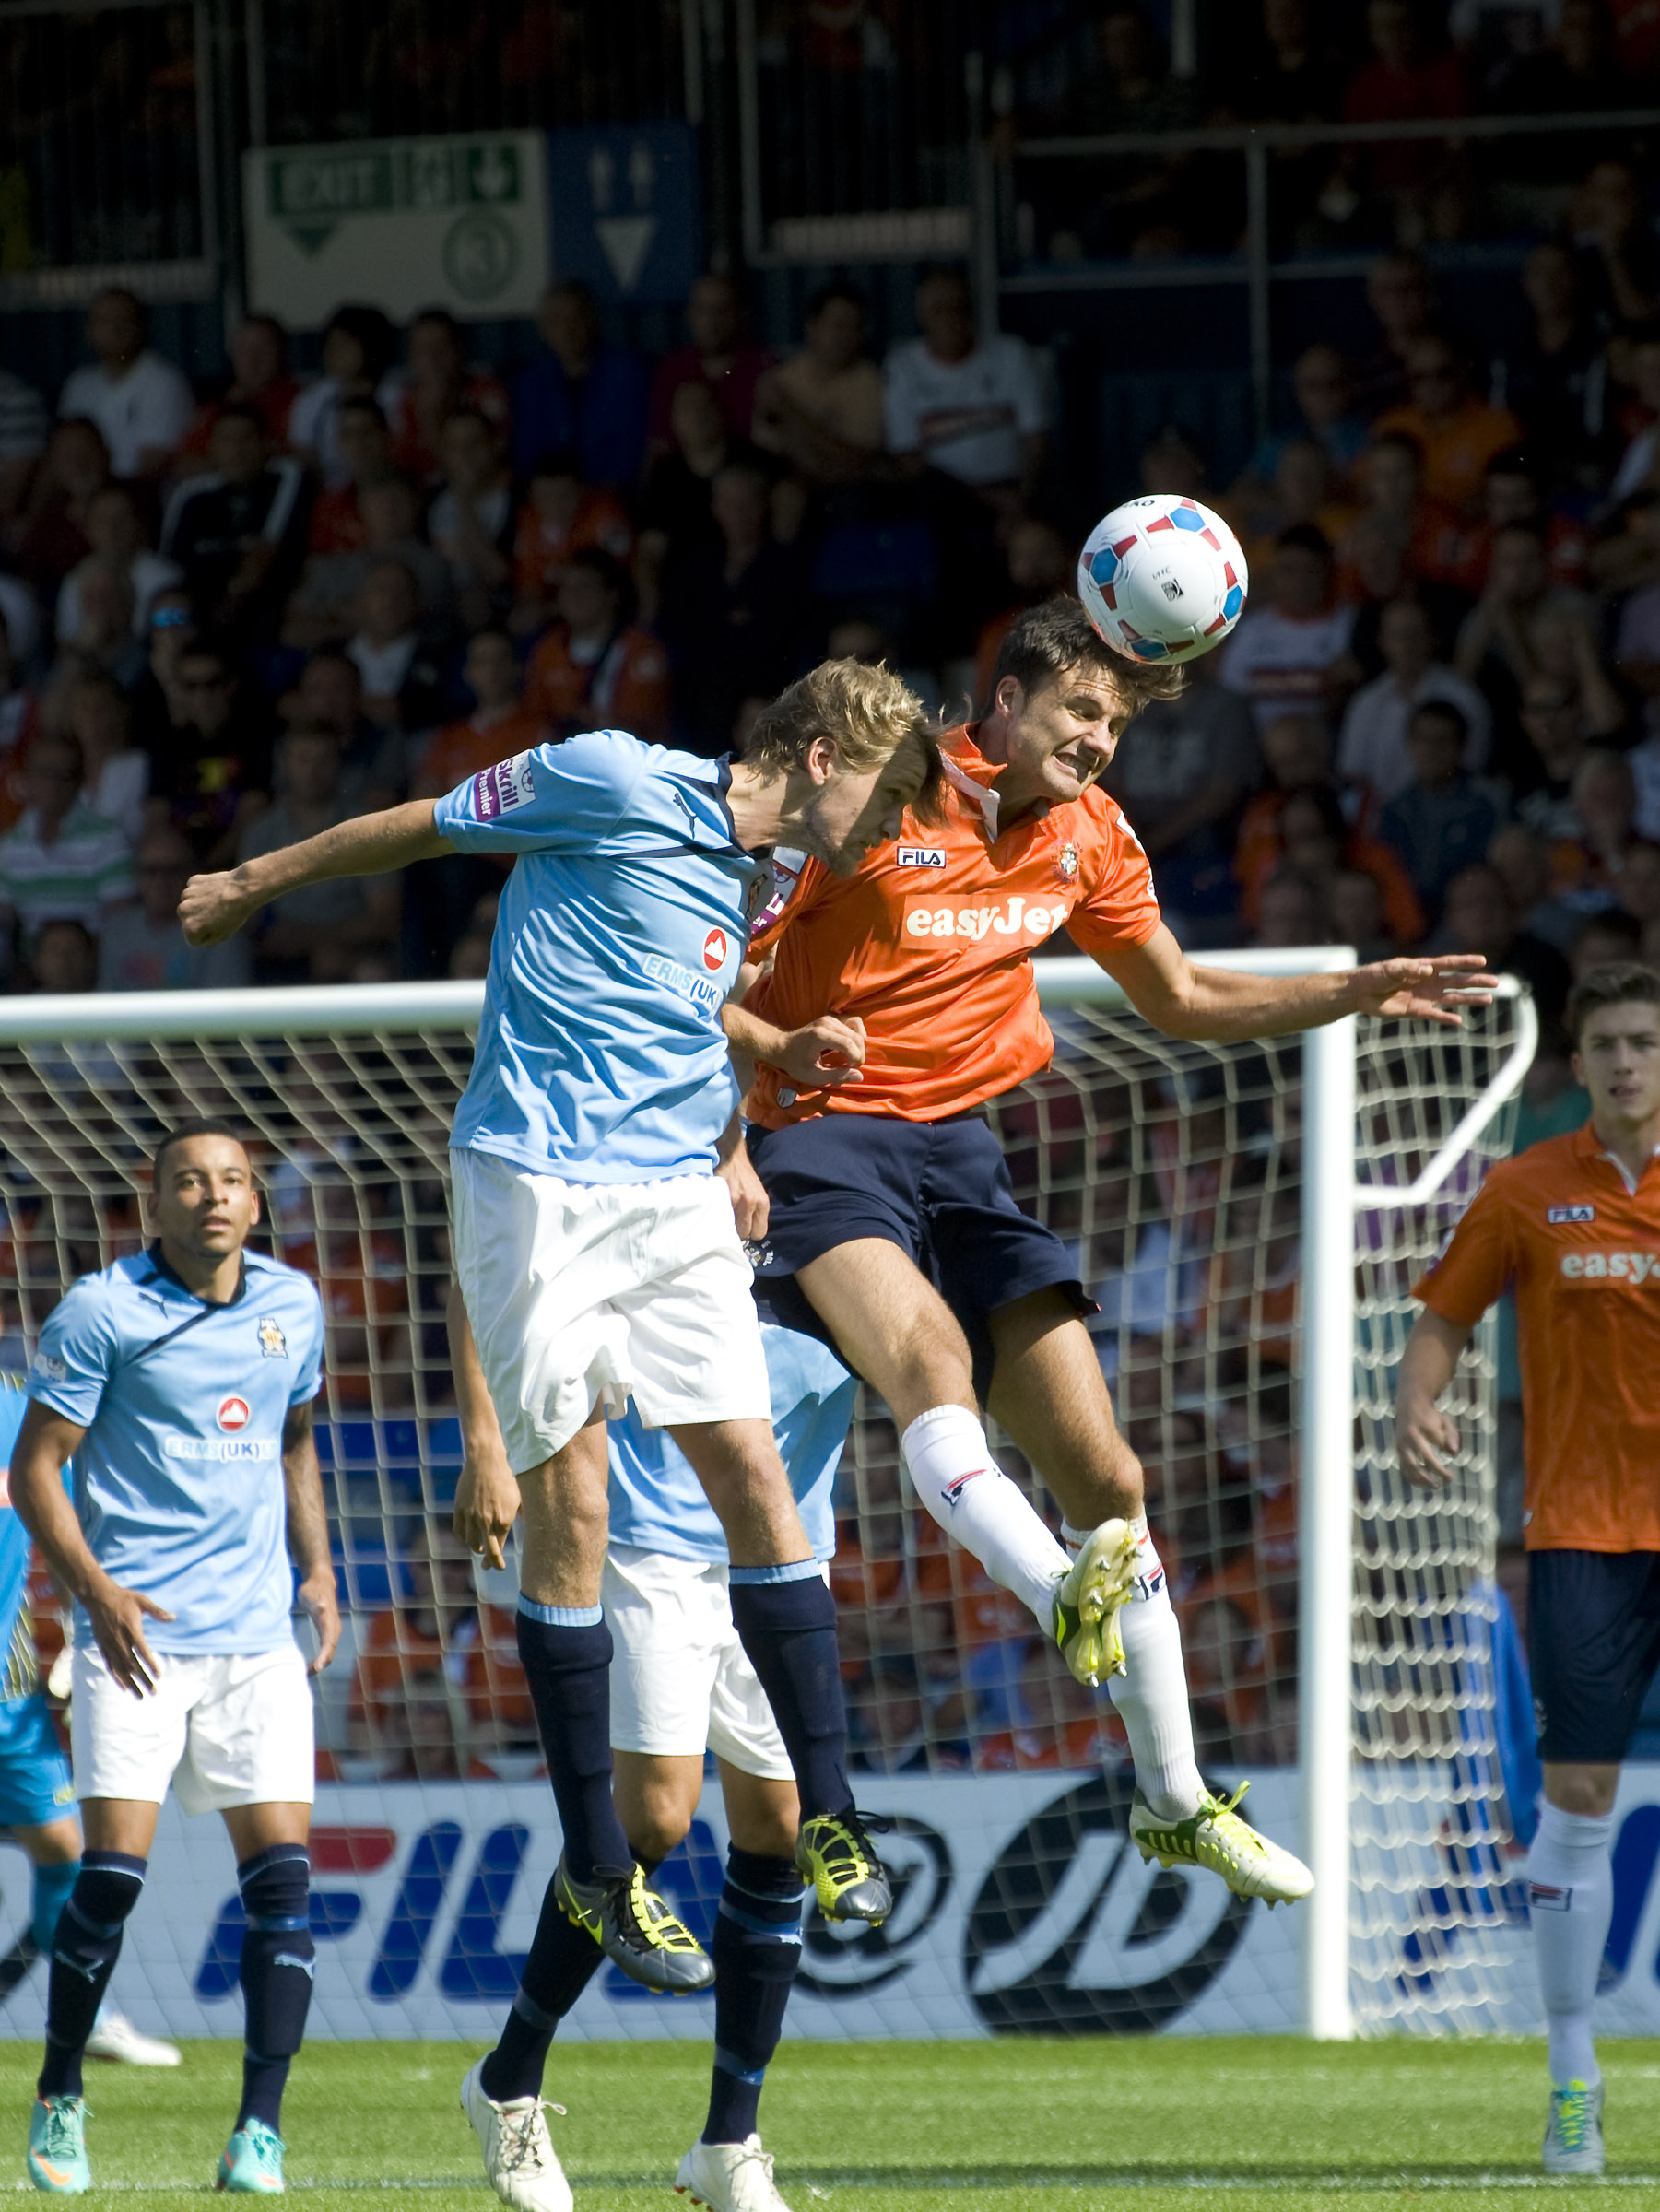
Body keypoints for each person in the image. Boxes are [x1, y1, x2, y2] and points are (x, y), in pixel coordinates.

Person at [177, 660, 944, 1993]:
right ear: (823, 754)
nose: (887, 831)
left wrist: (766, 1046)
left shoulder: (763, 882)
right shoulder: (609, 776)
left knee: (753, 1474)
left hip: (671, 1189)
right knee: (573, 1507)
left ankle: (832, 1811)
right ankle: (600, 1860)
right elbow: (420, 824)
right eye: (883, 797)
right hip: (535, 1179)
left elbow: (678, 995)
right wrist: (252, 884)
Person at [725, 598, 1493, 1908]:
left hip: (962, 1154)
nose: (1101, 744)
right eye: (1084, 714)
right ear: (1005, 700)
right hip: (819, 1133)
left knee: (1110, 1474)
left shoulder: (1089, 836)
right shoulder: (881, 793)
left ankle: (1179, 1803)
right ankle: (1051, 1602)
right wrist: (730, 1144)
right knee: (930, 1365)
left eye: (1119, 726)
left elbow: (1183, 1001)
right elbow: (709, 980)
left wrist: (1357, 991)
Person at [451, 1283, 856, 2212]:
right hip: (644, 1541)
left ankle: (729, 2140)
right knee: (655, 1819)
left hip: (786, 1546)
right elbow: (491, 1278)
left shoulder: (846, 1209)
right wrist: (486, 1441)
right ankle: (508, 2081)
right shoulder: (649, 1169)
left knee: (780, 1823)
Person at [9, 1121, 337, 2193]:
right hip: (135, 1636)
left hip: (254, 1642)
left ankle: (260, 2133)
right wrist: (93, 1594)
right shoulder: (103, 1311)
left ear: (255, 1201)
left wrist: (319, 1572)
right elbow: (36, 1470)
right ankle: (61, 2097)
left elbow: (295, 1438)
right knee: (109, 1881)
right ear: (155, 1203)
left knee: (284, 1888)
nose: (214, 1198)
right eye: (190, 1183)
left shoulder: (293, 1308)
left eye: (233, 1182)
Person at [1396, 960, 1660, 2178]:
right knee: (1579, 1810)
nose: (1625, 1065)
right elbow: (1443, 1317)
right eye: (1606, 1044)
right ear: (1575, 1061)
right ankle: (1572, 2085)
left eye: (1645, 1043)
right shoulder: (1523, 1188)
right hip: (1584, 1540)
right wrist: (1415, 1404)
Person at [0, 1383, 179, 2067]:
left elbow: (70, 1524)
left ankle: (92, 2014)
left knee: (63, 1853)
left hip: (8, 1692)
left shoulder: (26, 1407)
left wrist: (85, 1635)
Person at [883, 268, 1046, 516]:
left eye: (957, 307)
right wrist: (989, 500)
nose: (949, 317)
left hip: (1010, 487)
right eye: (939, 309)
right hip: (943, 497)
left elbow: (1035, 438)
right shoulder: (903, 367)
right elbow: (907, 459)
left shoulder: (1011, 355)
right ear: (923, 316)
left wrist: (1022, 498)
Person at [159, 403, 309, 638]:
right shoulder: (190, 494)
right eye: (226, 440)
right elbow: (169, 567)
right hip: (197, 609)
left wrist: (231, 596)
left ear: (265, 443)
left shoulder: (285, 476)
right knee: (164, 616)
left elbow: (265, 553)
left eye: (246, 439)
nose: (236, 450)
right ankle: (163, 665)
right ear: (212, 447)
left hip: (256, 605)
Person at [1337, 594, 1490, 806]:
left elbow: (1475, 769)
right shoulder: (1365, 703)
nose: (1406, 644)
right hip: (1384, 823)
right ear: (1382, 642)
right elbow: (1354, 777)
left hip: (1451, 813)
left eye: (1414, 634)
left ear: (1432, 638)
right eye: (1397, 635)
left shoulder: (1463, 698)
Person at [0, 735, 134, 962]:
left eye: (64, 775)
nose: (53, 784)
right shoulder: (10, 845)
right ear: (28, 778)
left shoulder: (109, 839)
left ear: (79, 781)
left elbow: (120, 924)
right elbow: (4, 922)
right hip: (28, 974)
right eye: (45, 773)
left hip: (92, 969)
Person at [511, 282, 649, 491]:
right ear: (543, 330)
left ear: (592, 321)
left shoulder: (627, 374)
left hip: (616, 495)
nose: (566, 330)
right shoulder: (529, 383)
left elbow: (633, 450)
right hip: (550, 502)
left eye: (575, 319)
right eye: (556, 321)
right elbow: (526, 455)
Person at [524, 549, 670, 747]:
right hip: (565, 763)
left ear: (611, 594)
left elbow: (639, 727)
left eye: (585, 586)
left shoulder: (641, 649)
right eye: (567, 588)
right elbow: (536, 723)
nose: (574, 596)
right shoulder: (547, 651)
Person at [753, 284, 885, 488]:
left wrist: (791, 411)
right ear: (812, 328)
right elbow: (771, 456)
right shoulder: (781, 379)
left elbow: (856, 464)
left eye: (855, 326)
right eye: (839, 325)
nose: (847, 336)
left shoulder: (870, 382)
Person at [55, 290, 193, 482]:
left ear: (141, 326)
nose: (114, 329)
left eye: (123, 320)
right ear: (89, 330)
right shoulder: (79, 384)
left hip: (137, 498)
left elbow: (153, 463)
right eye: (104, 321)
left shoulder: (165, 381)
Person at [97, 825, 252, 992]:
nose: (161, 881)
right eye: (151, 871)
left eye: (173, 871)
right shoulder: (117, 931)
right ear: (137, 878)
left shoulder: (221, 933)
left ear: (192, 875)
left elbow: (224, 1009)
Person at [646, 272, 773, 457]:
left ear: (741, 313)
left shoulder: (763, 366)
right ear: (689, 314)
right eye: (701, 310)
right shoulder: (674, 369)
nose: (711, 321)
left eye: (722, 310)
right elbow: (659, 444)